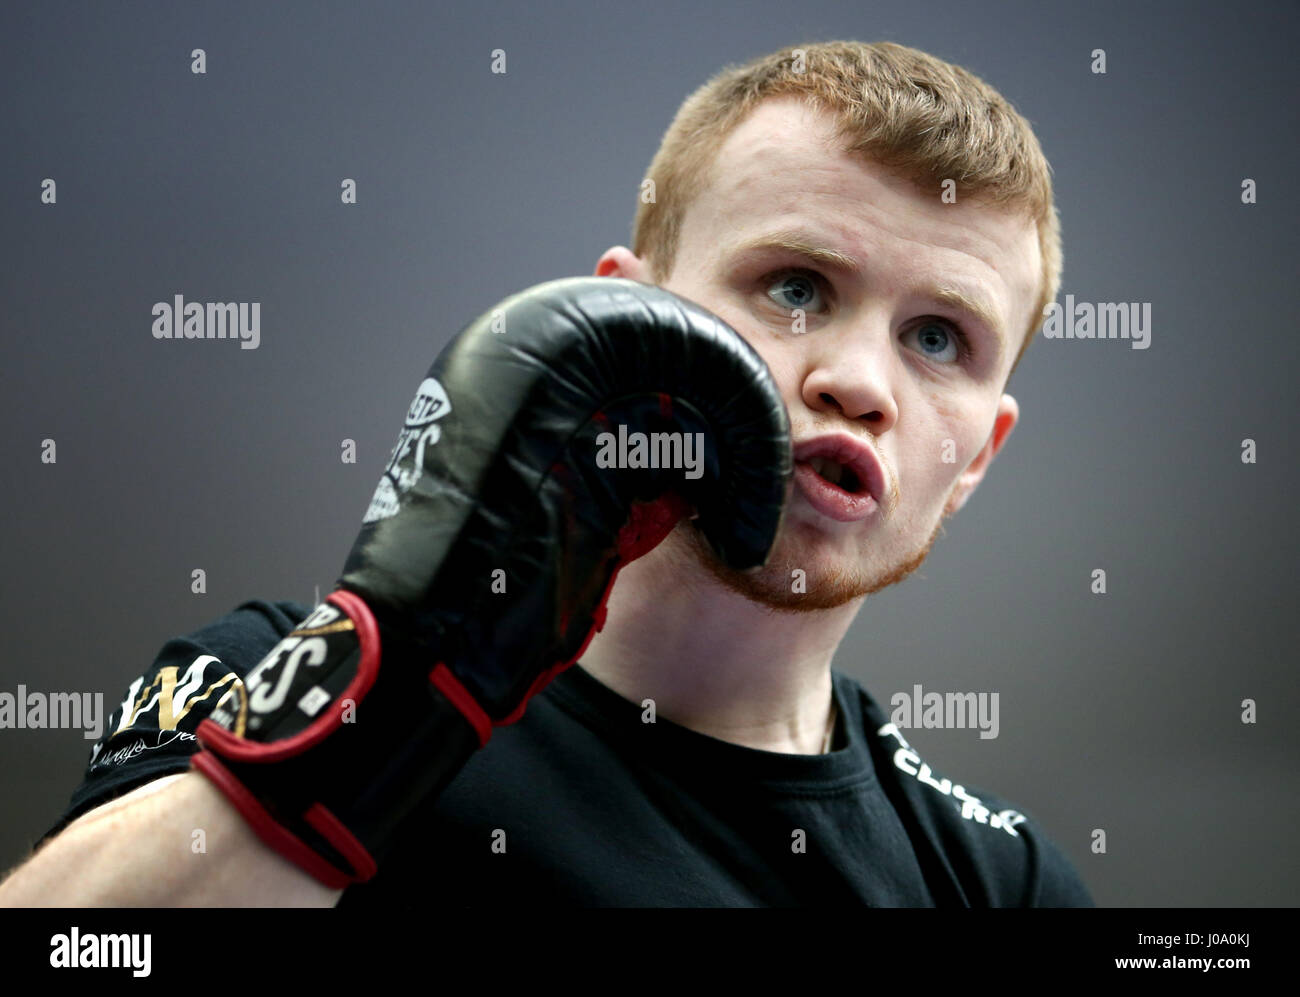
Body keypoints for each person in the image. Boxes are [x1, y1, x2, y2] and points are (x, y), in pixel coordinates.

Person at [0, 39, 1092, 907]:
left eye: (938, 338)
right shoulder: (265, 677)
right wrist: (380, 706)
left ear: (975, 459)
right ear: (630, 314)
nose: (857, 380)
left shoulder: (999, 881)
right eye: (796, 287)